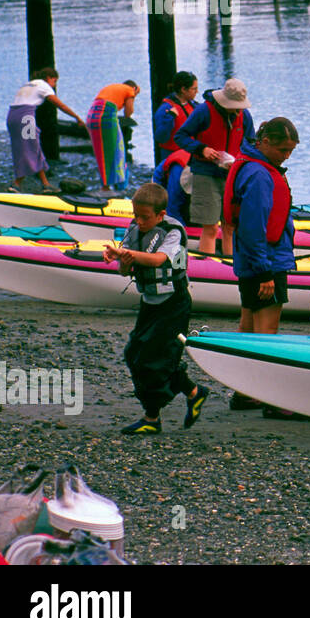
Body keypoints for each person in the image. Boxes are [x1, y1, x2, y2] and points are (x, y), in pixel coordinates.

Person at [102, 183, 209, 435]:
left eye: (145, 217)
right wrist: (121, 260)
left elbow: (160, 259)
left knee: (156, 361)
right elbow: (125, 271)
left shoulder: (173, 231)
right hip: (149, 301)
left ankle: (152, 417)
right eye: (135, 215)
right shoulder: (134, 229)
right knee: (134, 354)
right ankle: (194, 392)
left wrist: (126, 252)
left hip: (174, 302)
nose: (139, 221)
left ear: (160, 215)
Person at [224, 118, 298, 338]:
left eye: (291, 151)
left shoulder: (252, 166)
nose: (286, 156)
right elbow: (252, 226)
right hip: (267, 263)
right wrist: (265, 272)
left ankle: (235, 370)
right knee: (266, 333)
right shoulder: (259, 175)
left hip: (252, 261)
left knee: (247, 328)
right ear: (264, 142)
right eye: (283, 150)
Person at [176, 79, 254, 256]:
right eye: (235, 106)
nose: (238, 110)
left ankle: (231, 267)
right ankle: (209, 267)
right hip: (206, 174)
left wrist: (241, 162)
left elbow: (251, 143)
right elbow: (181, 136)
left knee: (230, 226)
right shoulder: (203, 111)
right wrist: (202, 149)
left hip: (233, 175)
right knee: (210, 227)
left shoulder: (244, 115)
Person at [6, 68, 85, 192]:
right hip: (25, 117)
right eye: (55, 81)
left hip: (12, 117)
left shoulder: (28, 84)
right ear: (49, 77)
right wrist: (77, 118)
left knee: (27, 148)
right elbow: (60, 105)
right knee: (32, 148)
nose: (54, 85)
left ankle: (45, 184)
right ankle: (16, 184)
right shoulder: (44, 85)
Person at [86, 80, 140, 189]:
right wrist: (134, 94)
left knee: (101, 151)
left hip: (92, 115)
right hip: (106, 115)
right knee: (116, 151)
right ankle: (115, 185)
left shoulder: (114, 87)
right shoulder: (130, 90)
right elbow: (128, 112)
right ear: (134, 87)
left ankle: (106, 184)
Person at [153, 71, 198, 166]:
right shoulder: (166, 109)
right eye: (194, 89)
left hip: (190, 155)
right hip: (172, 157)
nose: (197, 92)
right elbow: (161, 138)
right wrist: (169, 119)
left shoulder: (193, 105)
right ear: (183, 89)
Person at [152, 148, 191, 225]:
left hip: (186, 177)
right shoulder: (177, 178)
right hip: (163, 179)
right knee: (170, 210)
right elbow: (172, 210)